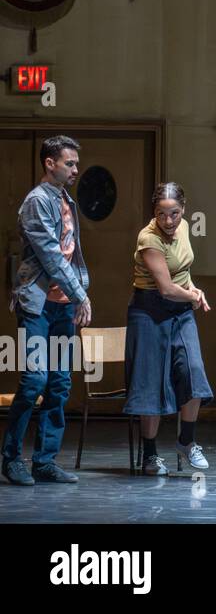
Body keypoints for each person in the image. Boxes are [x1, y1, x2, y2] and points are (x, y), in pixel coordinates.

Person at [3, 135, 91, 485]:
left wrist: (78, 294)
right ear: (49, 163)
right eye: (69, 163)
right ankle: (11, 458)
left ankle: (45, 461)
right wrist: (81, 295)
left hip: (62, 308)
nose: (75, 169)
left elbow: (74, 253)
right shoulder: (38, 201)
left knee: (59, 384)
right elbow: (52, 258)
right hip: (38, 306)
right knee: (34, 381)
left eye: (75, 163)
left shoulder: (65, 199)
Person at [125, 182, 214, 475]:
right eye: (161, 214)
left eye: (174, 213)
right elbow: (164, 288)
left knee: (194, 372)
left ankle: (186, 442)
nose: (168, 221)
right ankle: (150, 456)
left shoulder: (184, 227)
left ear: (183, 209)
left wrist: (193, 289)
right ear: (154, 213)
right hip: (150, 309)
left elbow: (183, 273)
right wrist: (193, 297)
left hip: (181, 310)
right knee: (151, 383)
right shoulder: (148, 238)